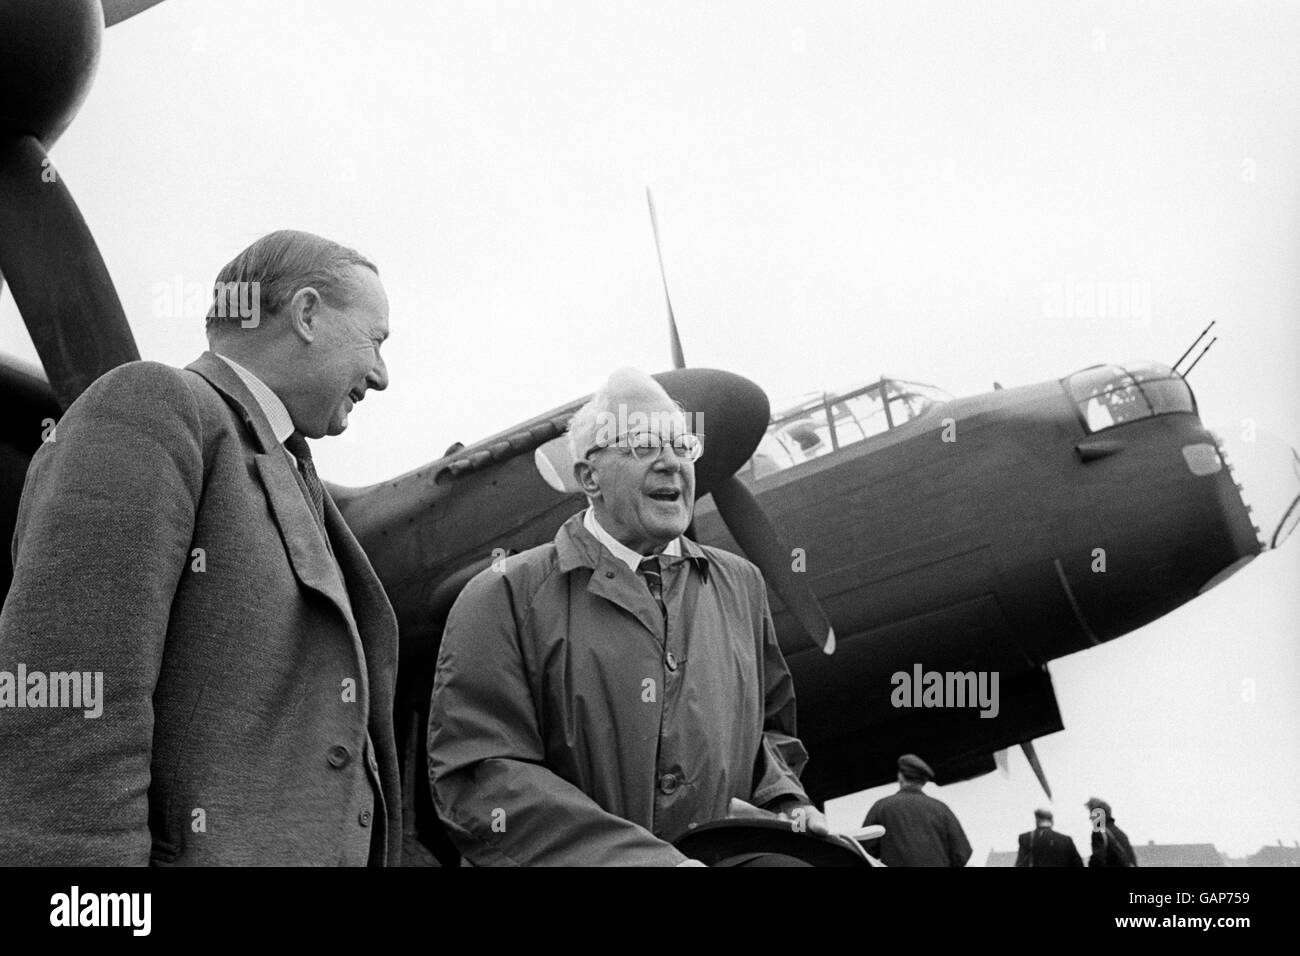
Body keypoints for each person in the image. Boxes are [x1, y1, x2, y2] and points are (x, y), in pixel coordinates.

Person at [0, 230, 400, 865]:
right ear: (306, 314)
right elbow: (68, 703)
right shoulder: (154, 404)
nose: (381, 375)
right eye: (375, 341)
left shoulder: (292, 471)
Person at [428, 367, 827, 865]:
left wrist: (787, 803)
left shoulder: (741, 584)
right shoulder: (501, 592)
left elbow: (769, 730)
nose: (670, 464)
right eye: (642, 444)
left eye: (682, 446)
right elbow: (481, 775)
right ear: (588, 476)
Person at [860, 753, 972, 867]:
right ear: (923, 781)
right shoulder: (942, 809)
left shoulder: (881, 807)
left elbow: (863, 851)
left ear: (900, 776)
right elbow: (962, 853)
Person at [1014, 807, 1083, 867]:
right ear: (1052, 822)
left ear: (1037, 821)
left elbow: (1021, 863)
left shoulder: (1026, 838)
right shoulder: (1066, 840)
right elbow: (1078, 864)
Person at [1086, 797, 1138, 867]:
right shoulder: (1121, 834)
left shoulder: (1099, 832)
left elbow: (1098, 860)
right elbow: (1132, 859)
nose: (1090, 817)